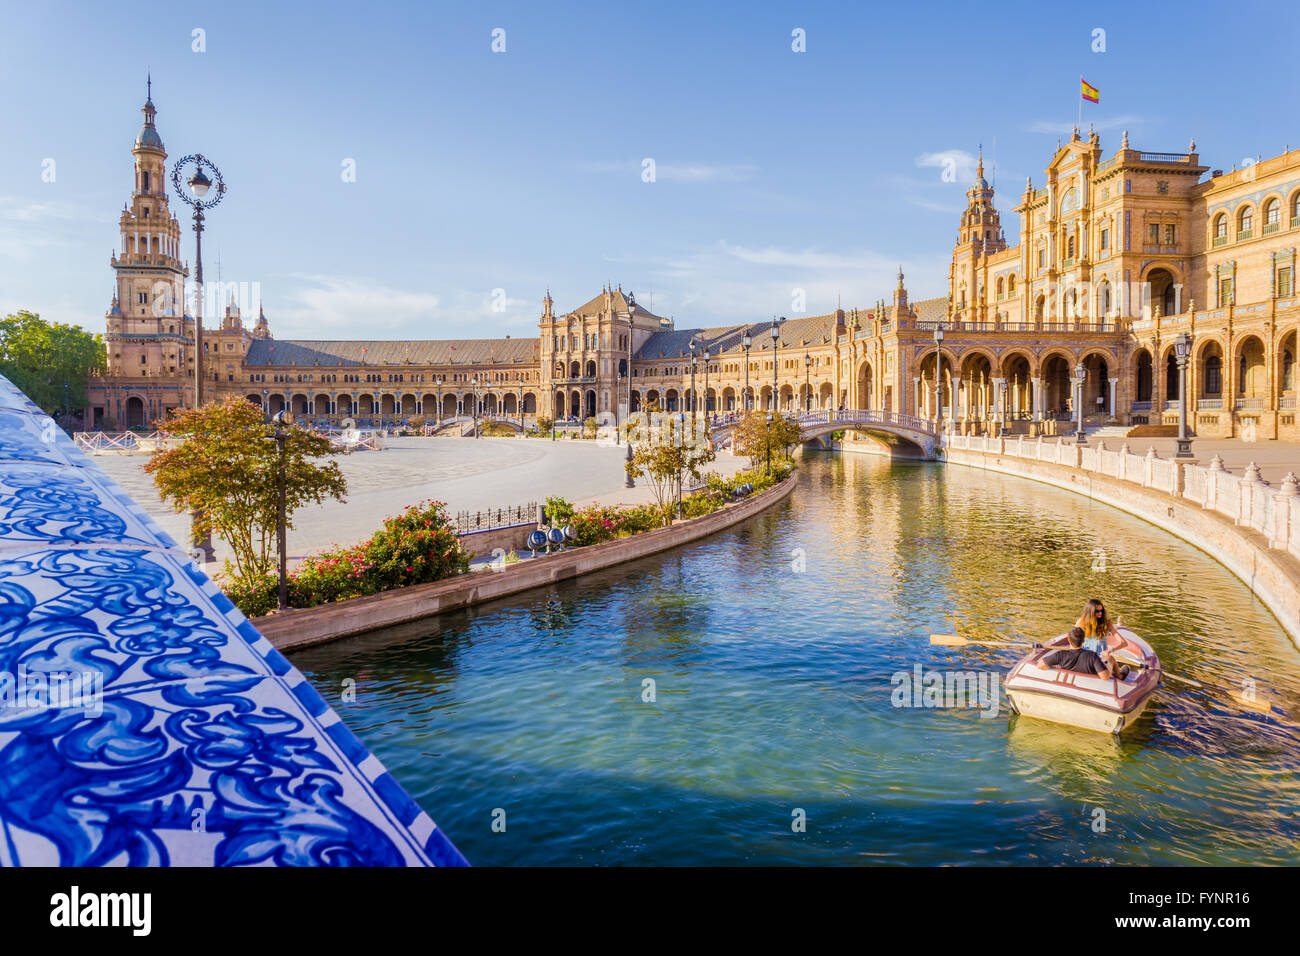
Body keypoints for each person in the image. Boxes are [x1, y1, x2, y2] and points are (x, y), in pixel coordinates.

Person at [1037, 627, 1125, 679]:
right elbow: (1105, 677)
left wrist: (1055, 666)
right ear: (1083, 640)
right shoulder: (1092, 656)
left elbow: (1040, 665)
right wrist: (1109, 661)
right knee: (1111, 659)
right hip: (1090, 685)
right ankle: (1119, 676)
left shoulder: (1060, 655)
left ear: (1068, 639)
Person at [1076, 598, 1136, 663]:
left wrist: (1110, 650)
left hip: (1101, 660)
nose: (1100, 613)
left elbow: (1124, 643)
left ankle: (1118, 672)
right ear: (1090, 612)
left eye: (1101, 610)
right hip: (1085, 657)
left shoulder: (1107, 624)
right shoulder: (1081, 622)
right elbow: (1072, 639)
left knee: (1111, 660)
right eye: (1097, 611)